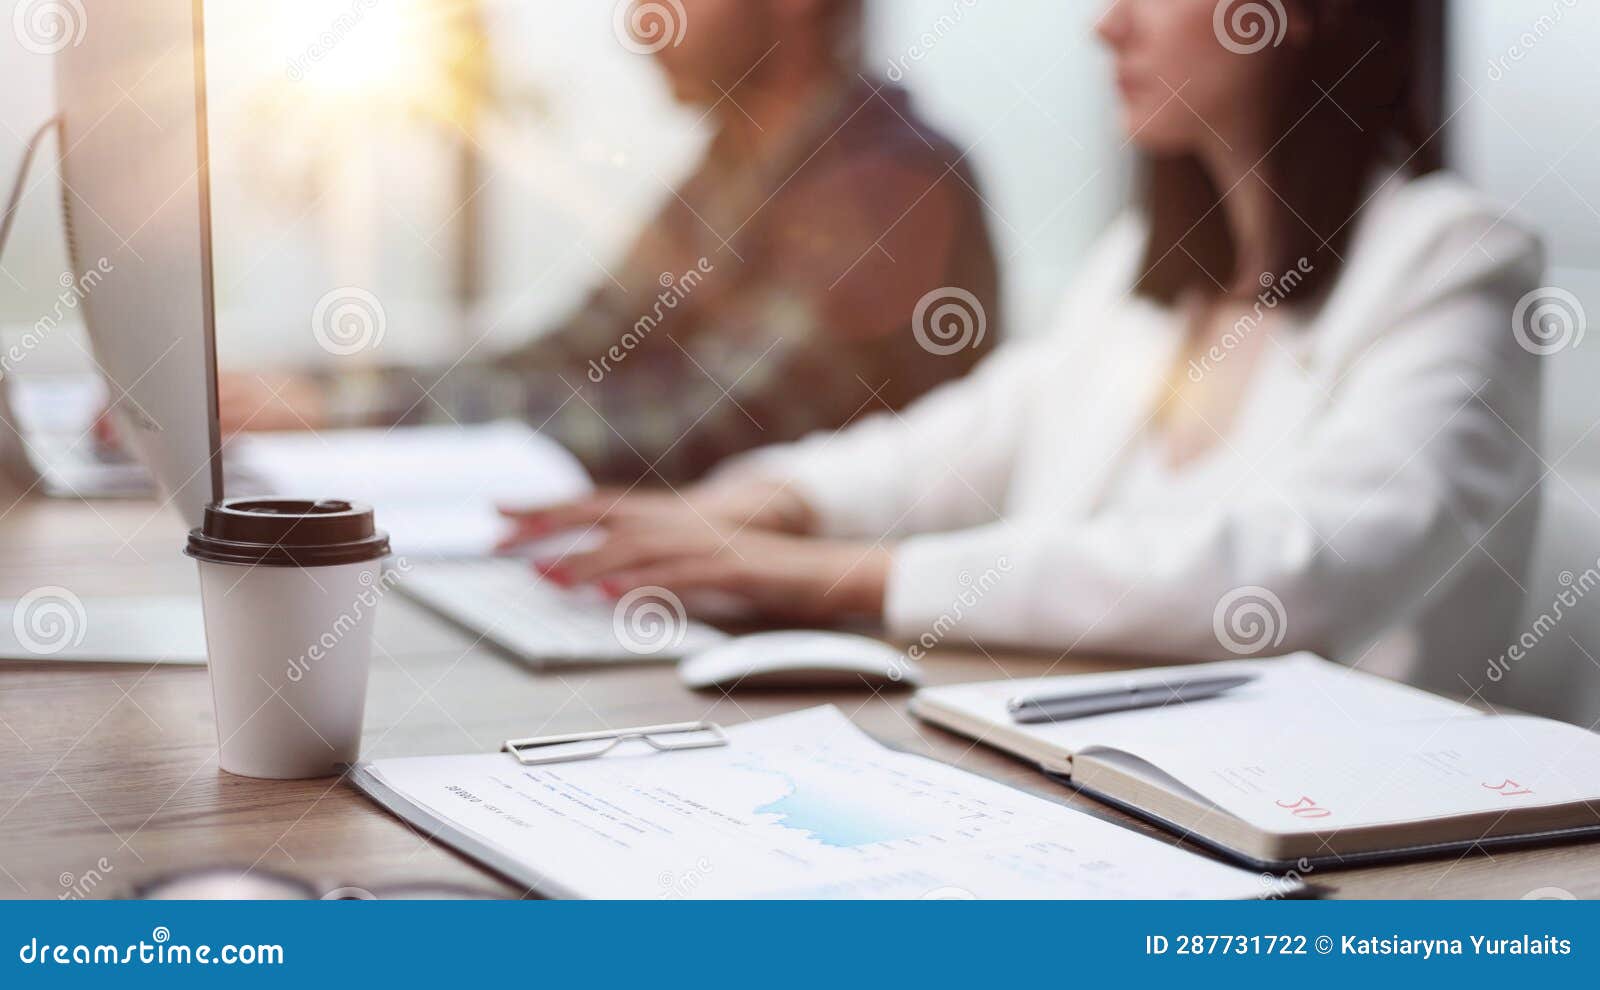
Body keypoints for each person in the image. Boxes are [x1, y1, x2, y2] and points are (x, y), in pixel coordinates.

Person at [500, 0, 1545, 693]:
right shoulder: (1151, 266)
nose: (1107, 26)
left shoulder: (1456, 262)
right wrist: (760, 506)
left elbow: (1289, 575)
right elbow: (967, 439)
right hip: (1089, 774)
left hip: (1340, 852)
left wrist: (828, 576)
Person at [222, 0, 1000, 486]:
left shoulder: (891, 185)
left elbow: (693, 427)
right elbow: (569, 348)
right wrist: (314, 384)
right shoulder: (729, 167)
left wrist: (353, 410)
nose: (639, 22)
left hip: (836, 655)